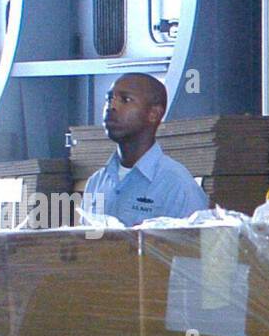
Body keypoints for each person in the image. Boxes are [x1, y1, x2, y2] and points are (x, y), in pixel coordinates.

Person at [81, 73, 208, 227]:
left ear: (153, 114)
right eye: (109, 99)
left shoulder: (179, 187)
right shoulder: (96, 183)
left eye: (125, 100)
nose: (111, 107)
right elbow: (87, 245)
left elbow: (192, 248)